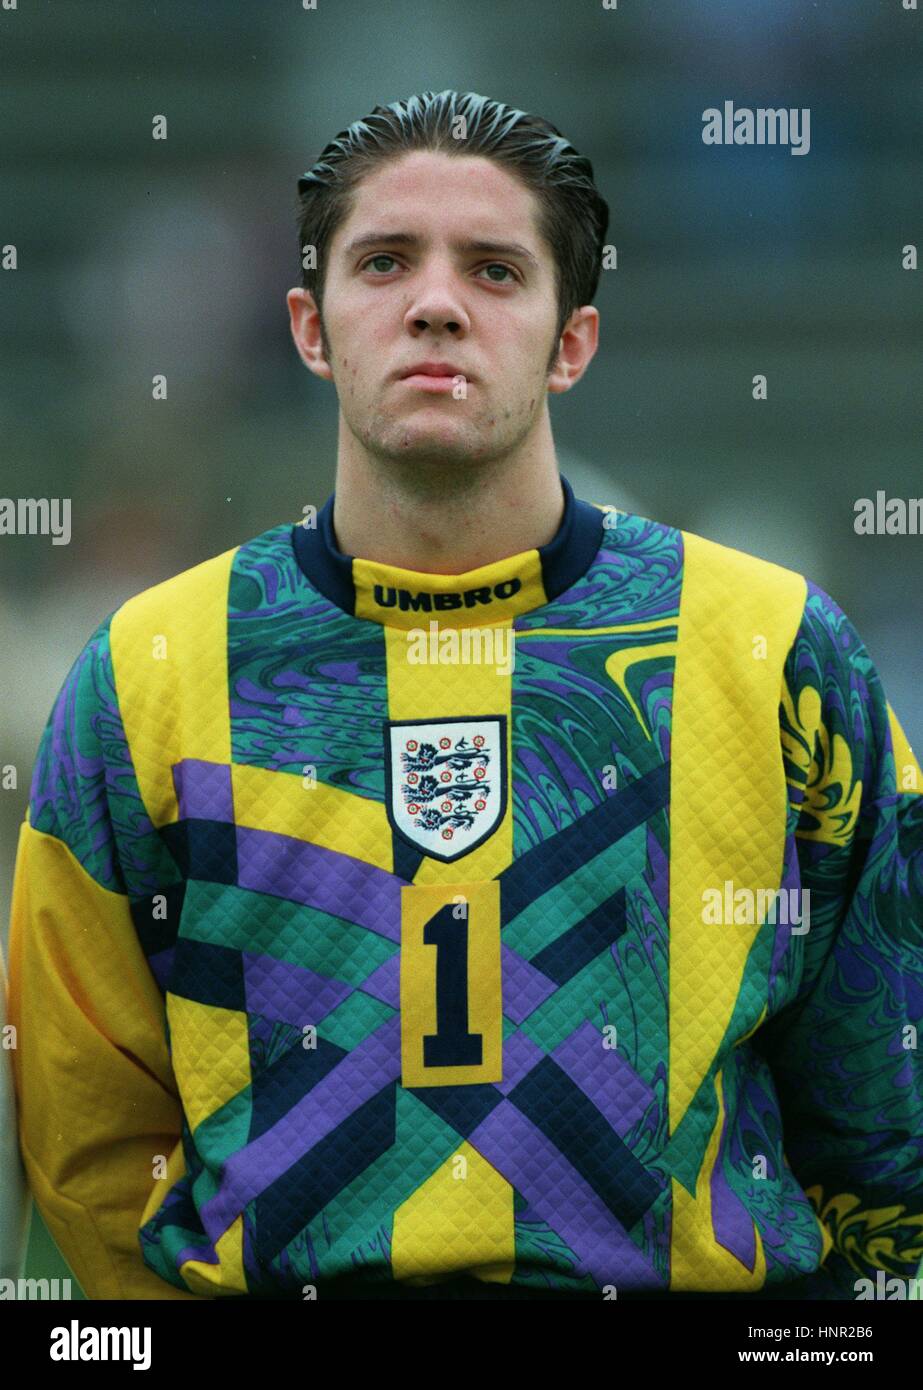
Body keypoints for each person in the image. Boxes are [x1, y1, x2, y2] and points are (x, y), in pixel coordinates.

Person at [6, 89, 922, 1301]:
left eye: (494, 270)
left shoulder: (775, 653)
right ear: (309, 327)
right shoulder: (148, 672)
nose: (434, 303)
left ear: (571, 341)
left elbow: (886, 1122)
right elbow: (86, 1131)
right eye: (383, 262)